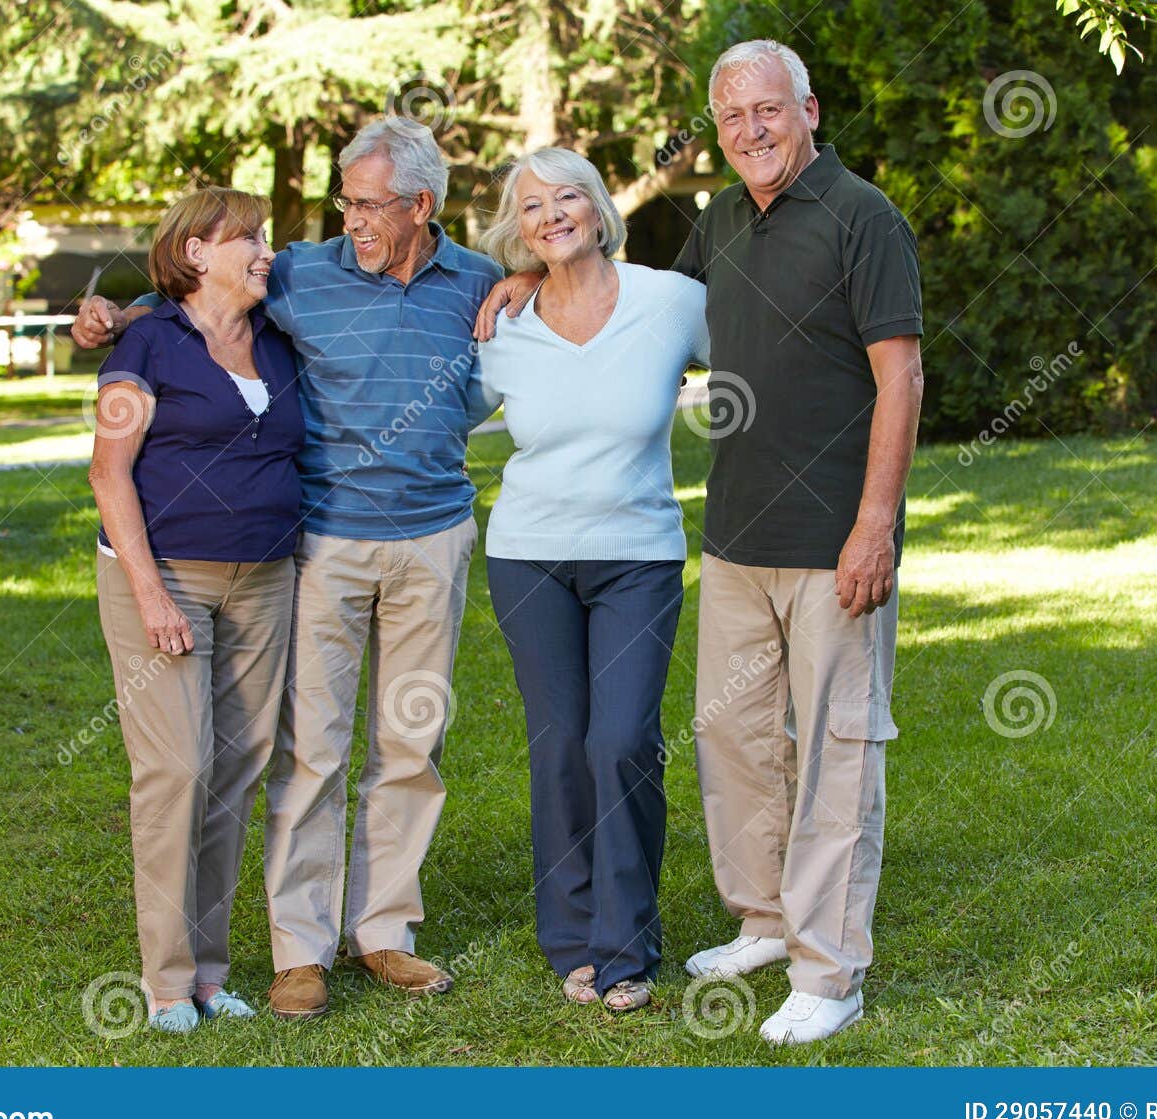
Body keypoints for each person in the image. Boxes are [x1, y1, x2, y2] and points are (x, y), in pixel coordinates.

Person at [476, 40, 925, 1044]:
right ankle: (763, 919)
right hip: (732, 537)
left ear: (808, 108)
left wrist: (873, 525)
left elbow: (900, 378)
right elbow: (627, 314)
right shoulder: (721, 222)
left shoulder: (863, 218)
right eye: (732, 119)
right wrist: (516, 278)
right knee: (736, 742)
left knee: (836, 753)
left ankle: (829, 968)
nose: (752, 131)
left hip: (832, 540)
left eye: (768, 110)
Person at [75, 118, 502, 1021]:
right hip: (324, 542)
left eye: (366, 204)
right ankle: (299, 950)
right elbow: (196, 305)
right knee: (309, 747)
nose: (347, 218)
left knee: (410, 739)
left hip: (434, 535)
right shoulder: (304, 273)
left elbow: (562, 283)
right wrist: (119, 317)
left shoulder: (477, 281)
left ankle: (384, 930)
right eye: (343, 201)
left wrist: (532, 276)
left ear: (421, 205)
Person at [473, 147, 708, 1013]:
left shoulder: (672, 301)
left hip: (638, 555)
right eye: (531, 207)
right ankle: (575, 938)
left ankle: (627, 943)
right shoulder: (502, 324)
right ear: (518, 231)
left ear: (600, 209)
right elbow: (437, 401)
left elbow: (767, 353)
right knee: (561, 743)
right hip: (527, 553)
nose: (551, 214)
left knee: (622, 741)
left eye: (567, 196)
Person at [88, 187, 305, 1034]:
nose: (265, 250)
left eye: (264, 237)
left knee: (234, 774)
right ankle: (166, 980)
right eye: (246, 237)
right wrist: (148, 591)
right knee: (176, 771)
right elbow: (109, 473)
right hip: (164, 575)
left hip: (266, 577)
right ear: (194, 254)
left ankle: (211, 972)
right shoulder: (145, 341)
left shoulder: (277, 337)